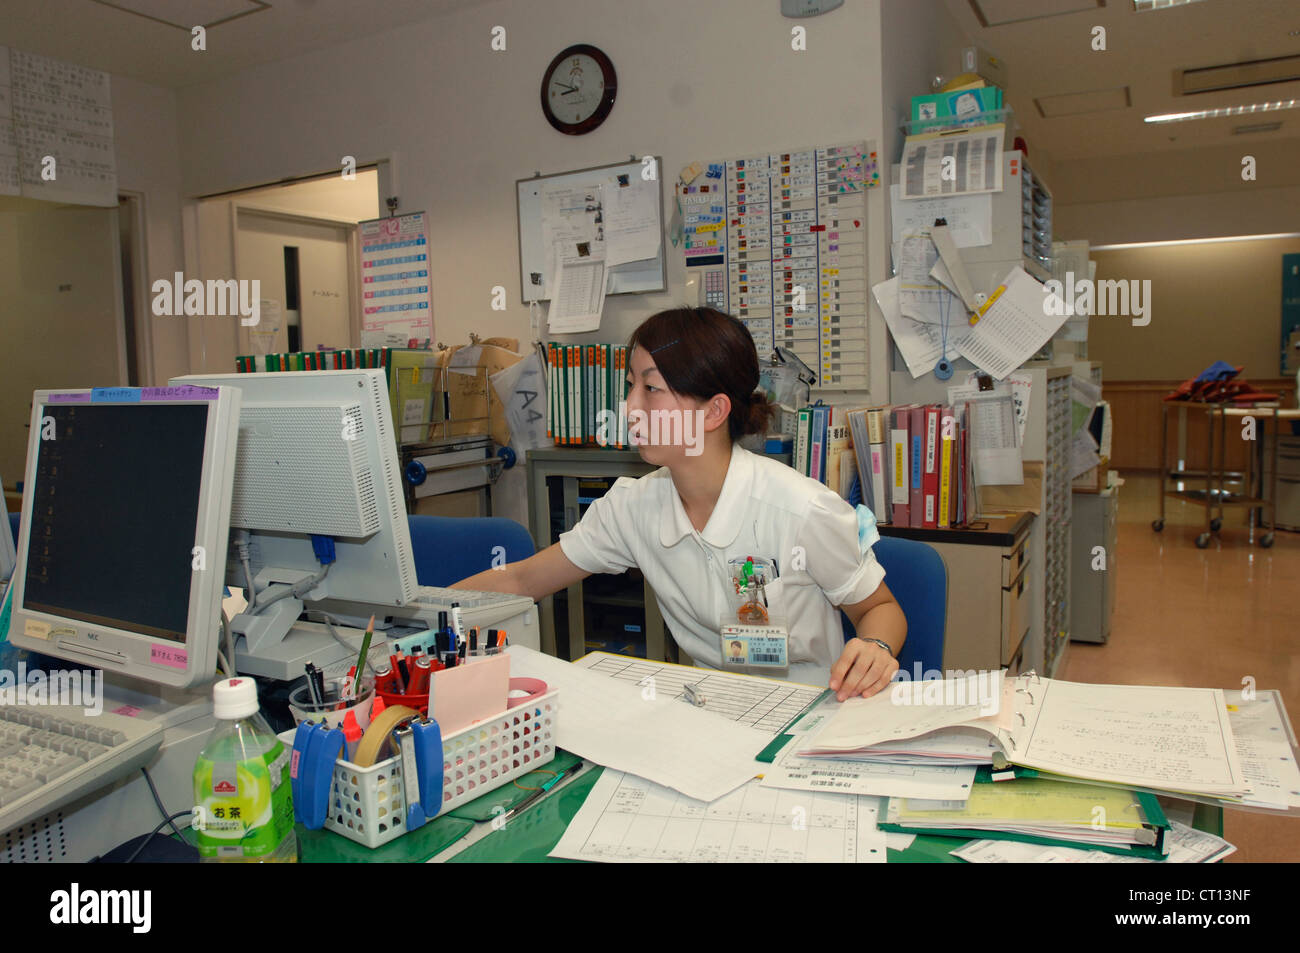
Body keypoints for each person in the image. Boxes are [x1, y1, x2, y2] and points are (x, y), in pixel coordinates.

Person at [452, 306, 906, 699]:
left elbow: (880, 609)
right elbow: (520, 579)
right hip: (709, 717)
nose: (630, 407)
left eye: (651, 390)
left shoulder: (802, 511)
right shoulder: (634, 507)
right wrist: (411, 614)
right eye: (631, 386)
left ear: (713, 411)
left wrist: (876, 648)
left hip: (808, 712)